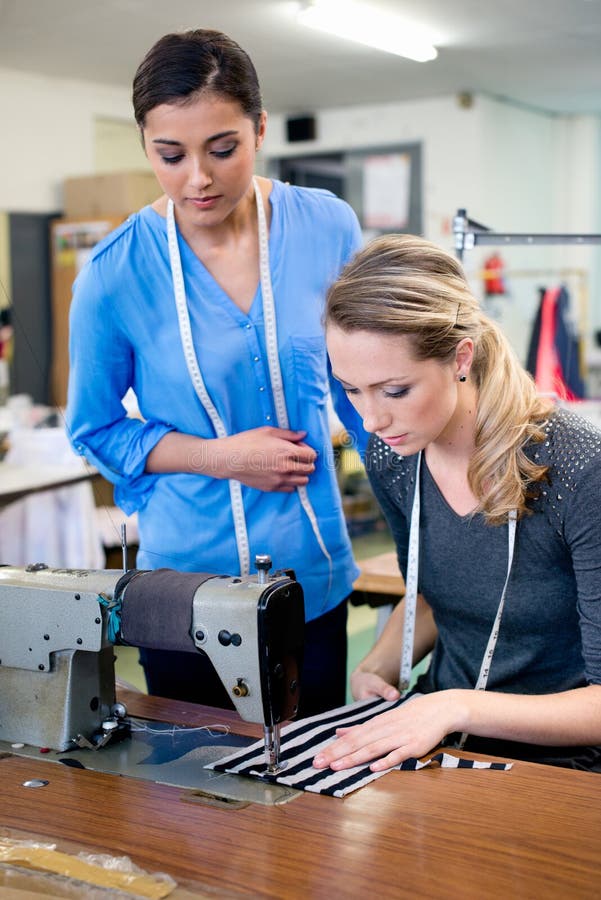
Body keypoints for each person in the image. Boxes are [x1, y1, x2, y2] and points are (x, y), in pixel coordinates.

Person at [66, 29, 367, 716]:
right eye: (169, 155)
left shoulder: (326, 227)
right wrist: (220, 457)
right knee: (200, 804)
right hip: (185, 589)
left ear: (259, 129)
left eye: (222, 148)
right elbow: (95, 430)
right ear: (145, 143)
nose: (197, 179)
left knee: (313, 783)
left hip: (312, 572)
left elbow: (362, 388)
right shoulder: (114, 274)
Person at [313, 233, 601, 773]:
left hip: (564, 765)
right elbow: (432, 595)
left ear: (460, 357)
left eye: (394, 391)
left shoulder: (579, 469)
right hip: (442, 736)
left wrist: (453, 706)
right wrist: (377, 666)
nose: (371, 420)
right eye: (351, 389)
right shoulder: (393, 458)